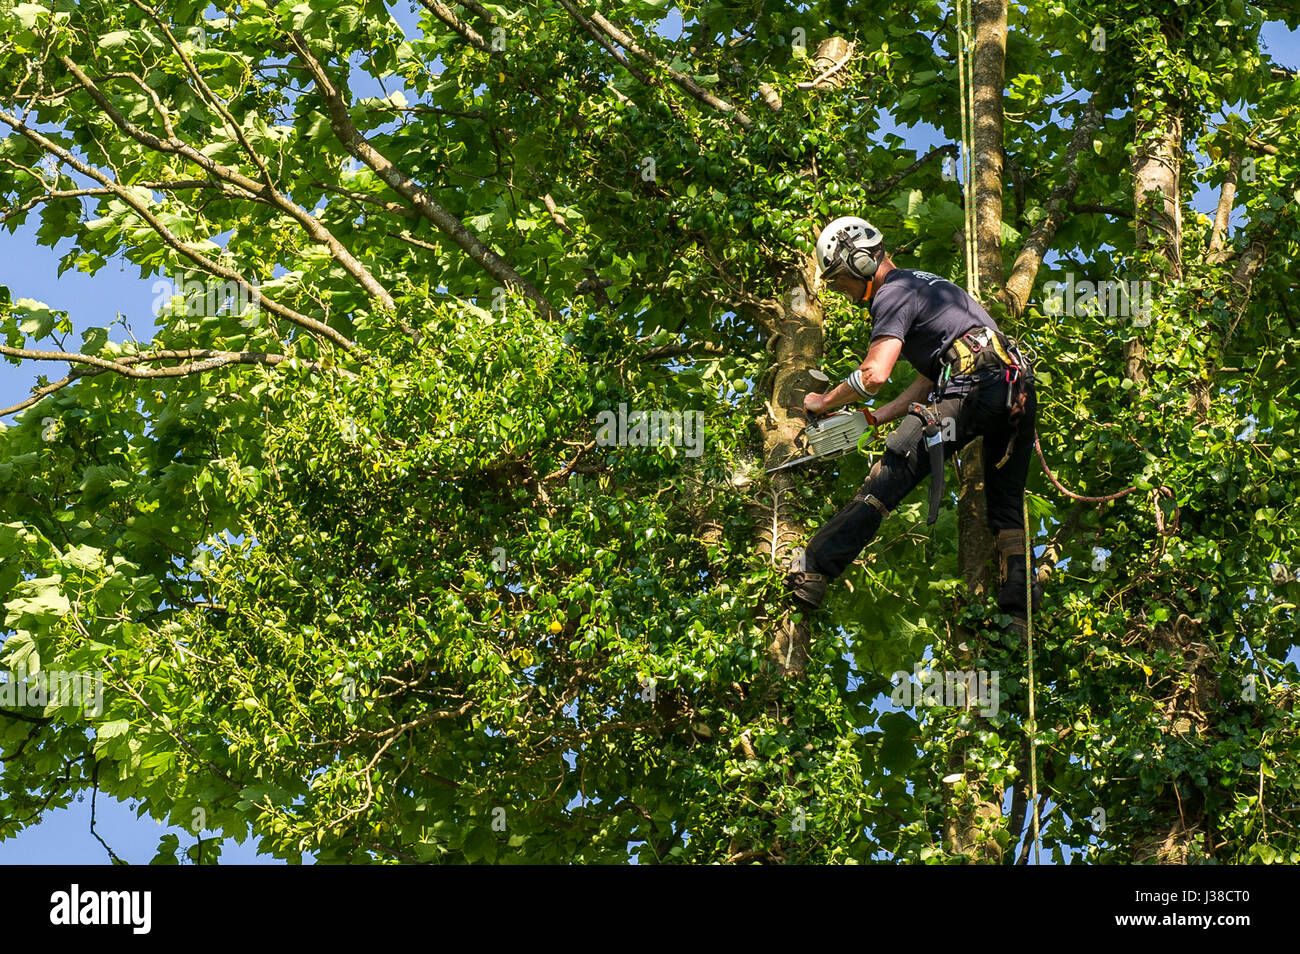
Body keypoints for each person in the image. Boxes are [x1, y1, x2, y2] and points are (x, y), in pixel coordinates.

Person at [785, 216, 1040, 637]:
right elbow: (928, 381)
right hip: (1016, 390)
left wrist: (823, 401)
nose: (843, 294)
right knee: (1008, 507)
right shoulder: (933, 288)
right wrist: (873, 418)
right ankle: (1018, 617)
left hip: (973, 385)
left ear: (861, 264)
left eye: (839, 282)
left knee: (890, 472)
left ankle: (814, 567)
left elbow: (874, 375)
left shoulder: (893, 293)